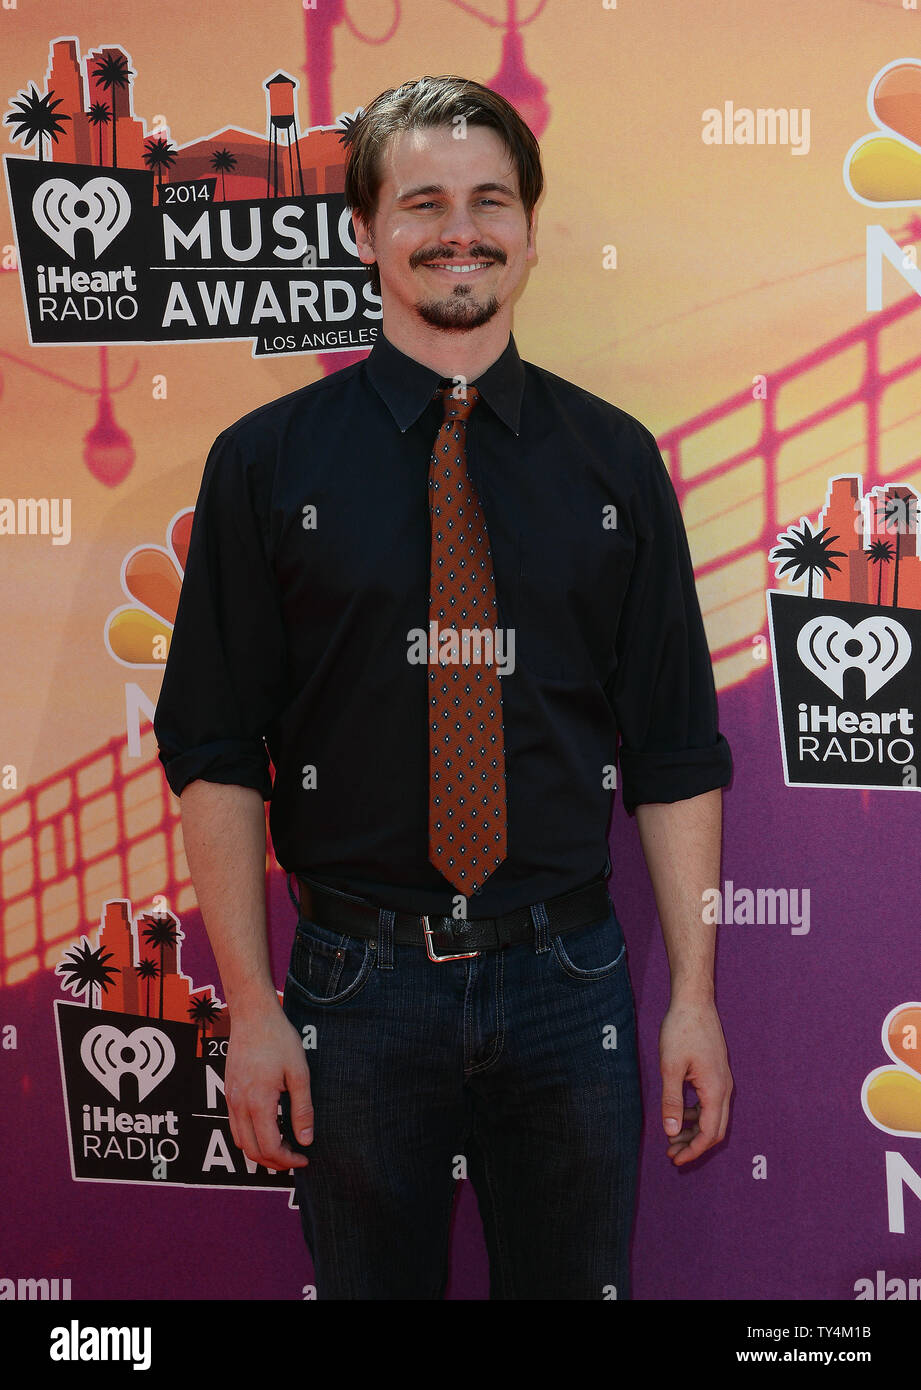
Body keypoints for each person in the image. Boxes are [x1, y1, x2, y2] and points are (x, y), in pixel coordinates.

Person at [154, 73, 733, 1301]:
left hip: (570, 983)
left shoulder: (617, 462)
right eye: (421, 202)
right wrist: (250, 1010)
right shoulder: (264, 465)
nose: (457, 229)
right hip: (353, 990)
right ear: (364, 232)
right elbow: (214, 752)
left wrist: (693, 997)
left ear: (527, 230)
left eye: (489, 200)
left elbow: (677, 750)